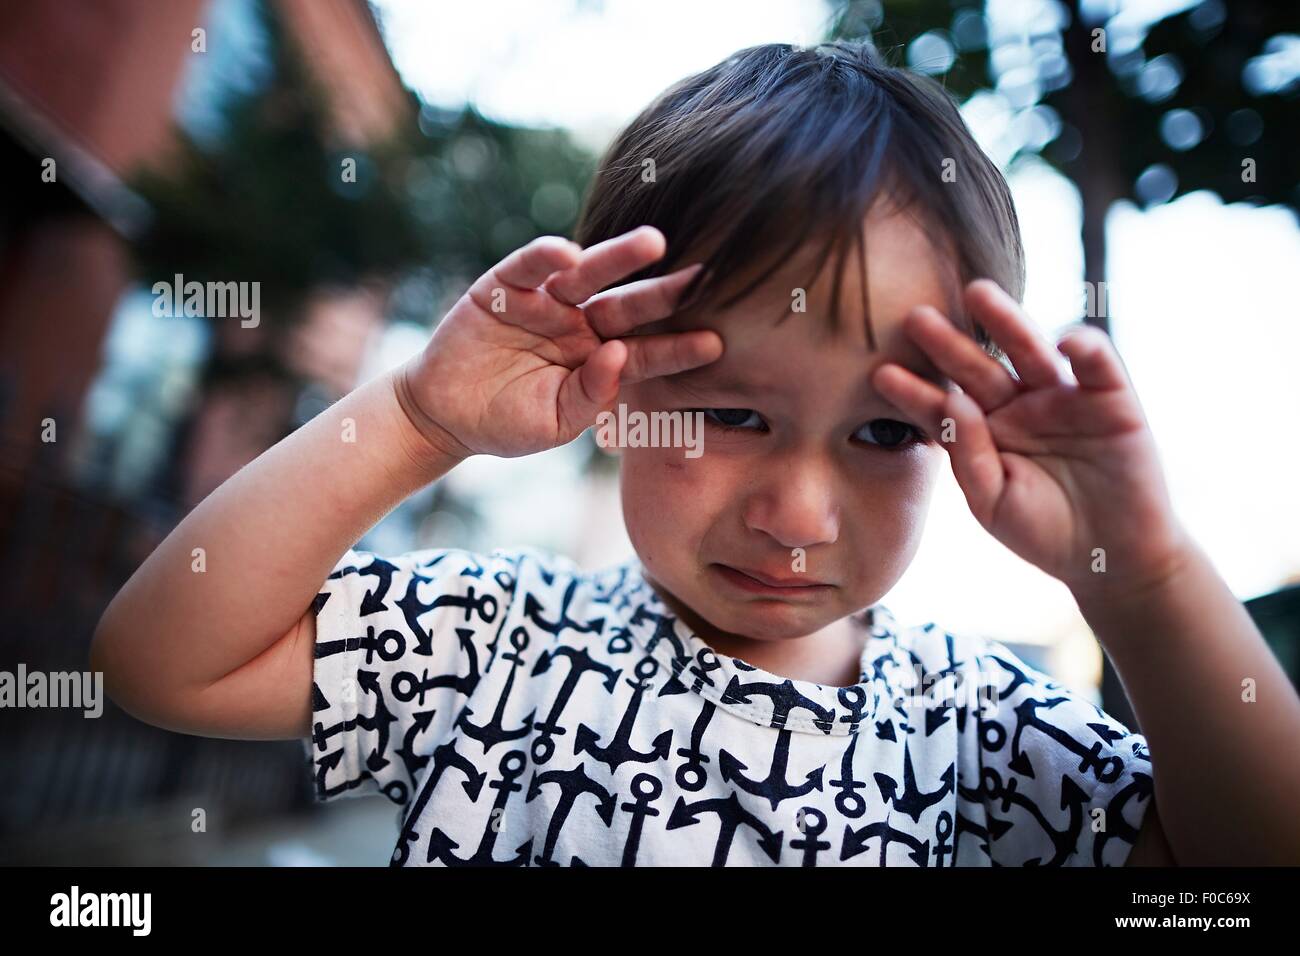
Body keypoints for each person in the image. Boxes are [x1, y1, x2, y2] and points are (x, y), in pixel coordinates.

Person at [92, 39, 1300, 866]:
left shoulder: (978, 729)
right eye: (730, 414)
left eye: (882, 432)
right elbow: (162, 658)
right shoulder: (499, 647)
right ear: (611, 392)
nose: (796, 513)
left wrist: (1141, 585)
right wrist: (416, 419)